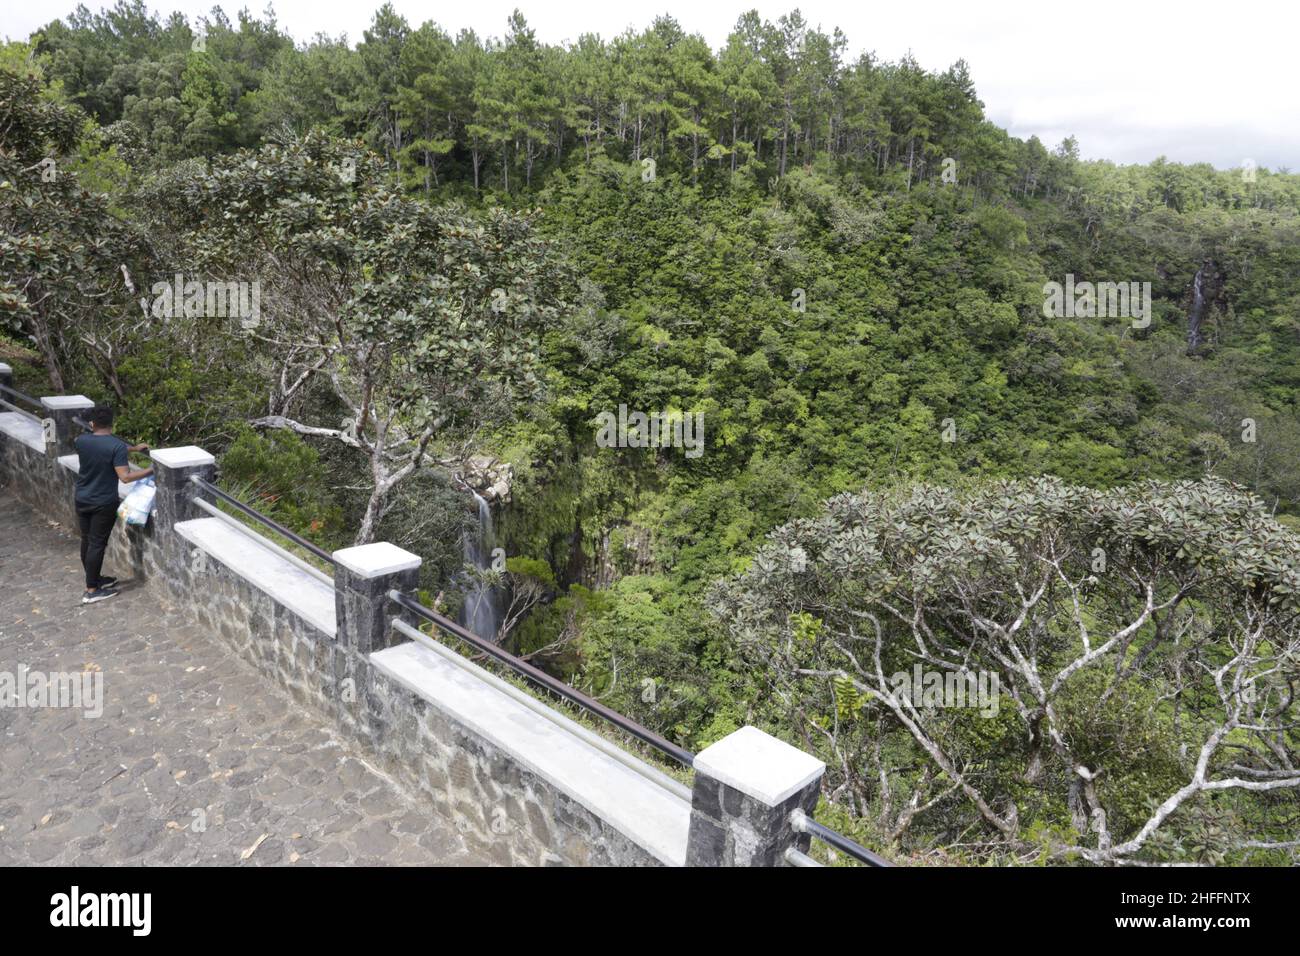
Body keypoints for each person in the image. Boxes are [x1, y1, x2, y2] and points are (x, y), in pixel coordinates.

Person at [74, 405, 152, 604]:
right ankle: (91, 590)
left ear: (92, 423)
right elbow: (125, 477)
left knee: (87, 540)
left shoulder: (81, 441)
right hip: (102, 502)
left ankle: (94, 579)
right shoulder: (115, 445)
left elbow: (103, 447)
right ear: (111, 423)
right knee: (97, 544)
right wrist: (151, 469)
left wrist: (132, 449)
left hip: (82, 497)